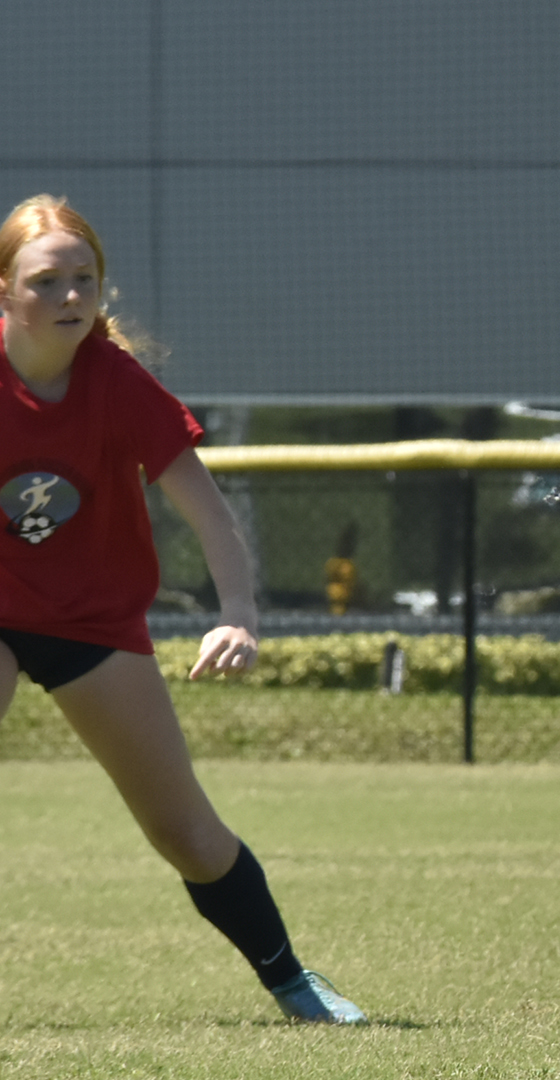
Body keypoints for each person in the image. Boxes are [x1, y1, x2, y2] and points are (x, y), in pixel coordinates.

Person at [0, 194, 365, 1024]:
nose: (69, 296)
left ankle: (293, 983)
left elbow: (210, 514)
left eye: (83, 279)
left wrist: (237, 611)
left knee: (187, 836)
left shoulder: (119, 383)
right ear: (4, 293)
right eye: (46, 280)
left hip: (90, 624)